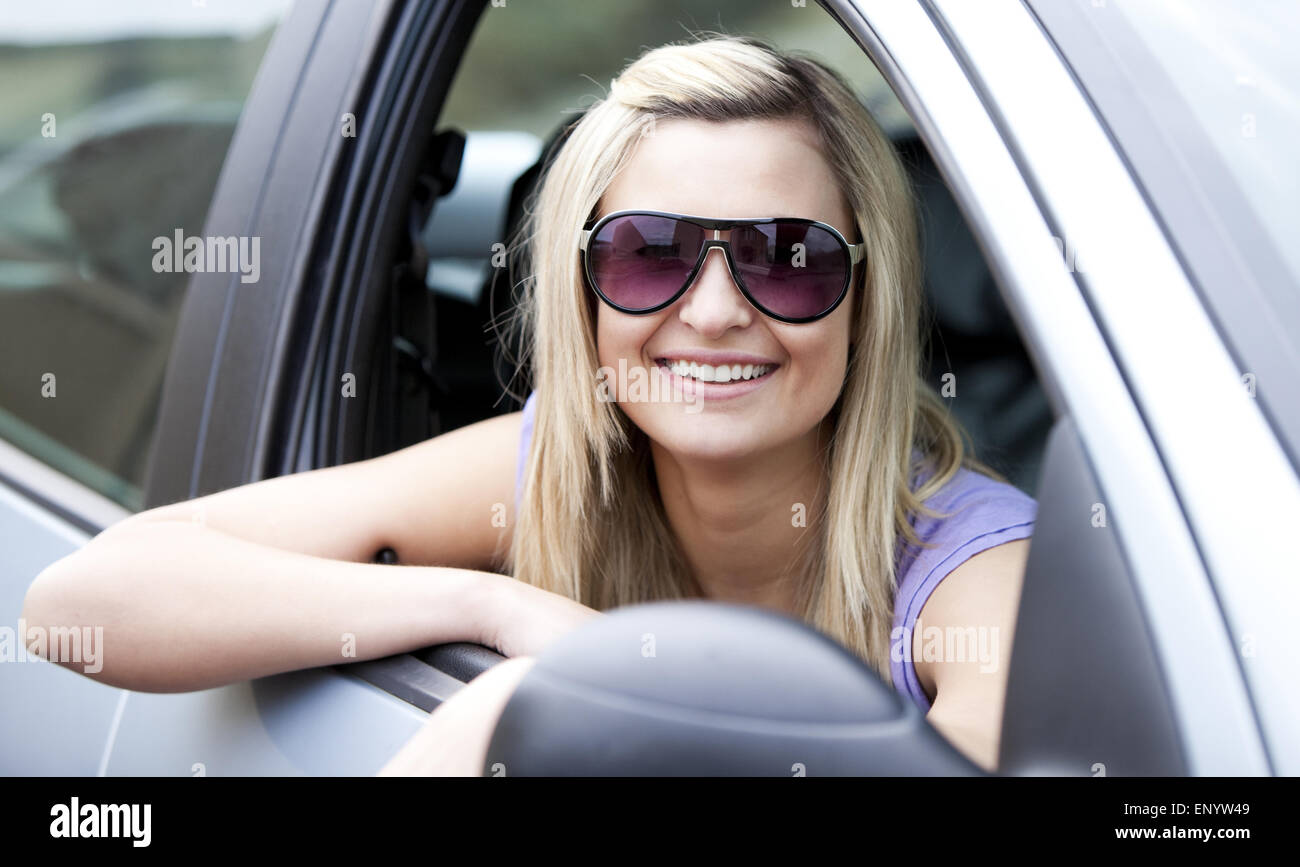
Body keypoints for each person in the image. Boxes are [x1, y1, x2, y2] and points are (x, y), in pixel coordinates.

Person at [24, 34, 1034, 776]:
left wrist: (585, 693)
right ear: (581, 290)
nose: (718, 312)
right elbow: (79, 606)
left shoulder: (975, 564)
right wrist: (486, 606)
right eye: (650, 256)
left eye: (787, 258)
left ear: (869, 296)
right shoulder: (552, 460)